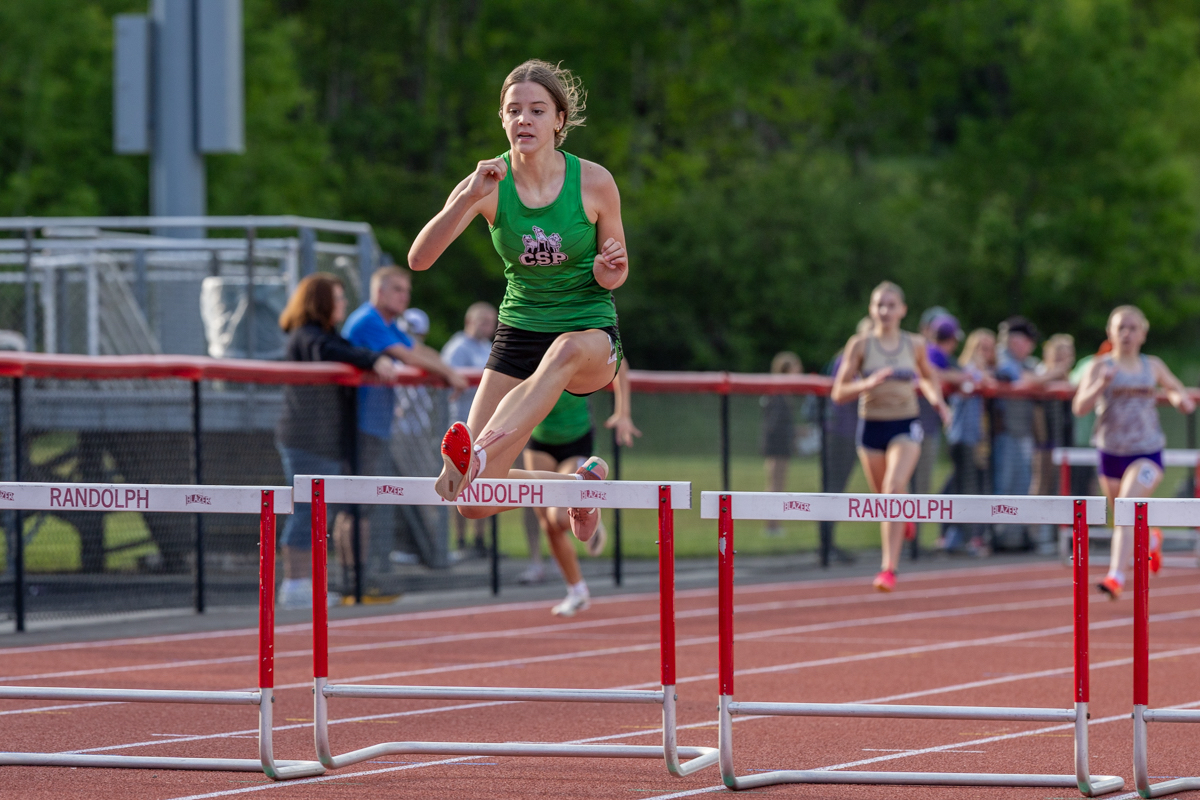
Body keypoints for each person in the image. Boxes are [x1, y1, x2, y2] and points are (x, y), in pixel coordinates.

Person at [408, 59, 627, 541]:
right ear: (503, 120)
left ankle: (481, 450)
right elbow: (419, 259)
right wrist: (468, 198)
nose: (524, 119)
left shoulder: (594, 182)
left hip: (588, 334)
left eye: (536, 110)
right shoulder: (488, 182)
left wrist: (605, 270)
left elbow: (618, 272)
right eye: (513, 110)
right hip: (520, 332)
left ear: (558, 121)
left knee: (565, 350)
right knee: (471, 499)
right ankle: (575, 491)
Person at [274, 273, 398, 610]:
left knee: (319, 511)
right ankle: (294, 584)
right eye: (337, 298)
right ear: (321, 302)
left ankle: (304, 584)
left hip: (325, 440)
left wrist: (371, 358)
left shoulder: (331, 335)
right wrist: (374, 359)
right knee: (304, 510)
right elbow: (327, 350)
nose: (342, 304)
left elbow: (344, 348)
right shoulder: (307, 336)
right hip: (306, 438)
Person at [342, 267, 466, 581]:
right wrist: (450, 374)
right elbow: (407, 357)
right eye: (397, 289)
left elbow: (417, 350)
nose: (404, 296)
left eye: (406, 290)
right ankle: (353, 578)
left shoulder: (386, 323)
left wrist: (446, 368)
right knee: (356, 504)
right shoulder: (368, 320)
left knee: (363, 504)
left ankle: (358, 576)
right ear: (379, 292)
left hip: (375, 422)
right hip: (358, 423)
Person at [832, 281, 948, 592]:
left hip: (905, 424)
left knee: (893, 489)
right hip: (871, 426)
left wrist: (938, 402)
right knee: (884, 501)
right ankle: (904, 516)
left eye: (891, 305)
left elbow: (928, 377)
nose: (885, 310)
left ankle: (888, 569)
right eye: (879, 305)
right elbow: (838, 392)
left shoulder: (914, 345)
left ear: (902, 310)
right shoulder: (859, 345)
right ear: (871, 309)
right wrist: (866, 384)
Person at [1072, 306, 1194, 600]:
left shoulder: (1152, 366)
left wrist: (1180, 400)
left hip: (1146, 452)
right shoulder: (1099, 367)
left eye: (1131, 328)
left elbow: (1177, 390)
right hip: (1110, 452)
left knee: (1127, 507)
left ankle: (1116, 576)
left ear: (1143, 333)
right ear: (1110, 333)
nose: (1126, 333)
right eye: (1120, 328)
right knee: (1121, 517)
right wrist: (1101, 384)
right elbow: (1079, 408)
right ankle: (1151, 537)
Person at [520, 360, 641, 615]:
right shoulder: (529, 344)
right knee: (548, 524)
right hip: (539, 439)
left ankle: (588, 506)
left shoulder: (575, 344)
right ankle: (577, 591)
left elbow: (619, 364)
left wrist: (623, 412)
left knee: (558, 516)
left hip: (575, 440)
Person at [441, 302, 499, 558]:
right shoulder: (457, 347)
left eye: (492, 321)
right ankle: (461, 541)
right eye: (483, 320)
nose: (489, 325)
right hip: (460, 425)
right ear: (469, 320)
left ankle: (480, 541)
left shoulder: (489, 348)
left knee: (485, 480)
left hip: (486, 427)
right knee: (458, 481)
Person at [909, 313, 965, 551]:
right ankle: (911, 542)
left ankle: (913, 541)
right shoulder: (934, 353)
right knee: (917, 485)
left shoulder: (931, 352)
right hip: (920, 427)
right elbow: (932, 373)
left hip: (920, 426)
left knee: (916, 485)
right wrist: (961, 376)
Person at [940, 329, 997, 554]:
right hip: (962, 437)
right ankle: (955, 536)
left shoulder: (987, 371)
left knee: (971, 486)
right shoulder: (964, 370)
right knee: (963, 487)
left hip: (978, 439)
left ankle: (964, 536)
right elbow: (974, 380)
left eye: (989, 348)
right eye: (981, 347)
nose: (986, 353)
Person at [762, 352, 803, 536]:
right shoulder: (776, 394)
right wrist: (792, 433)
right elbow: (774, 425)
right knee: (774, 484)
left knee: (779, 484)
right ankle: (771, 525)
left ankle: (774, 523)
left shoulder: (785, 394)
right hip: (776, 446)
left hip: (782, 446)